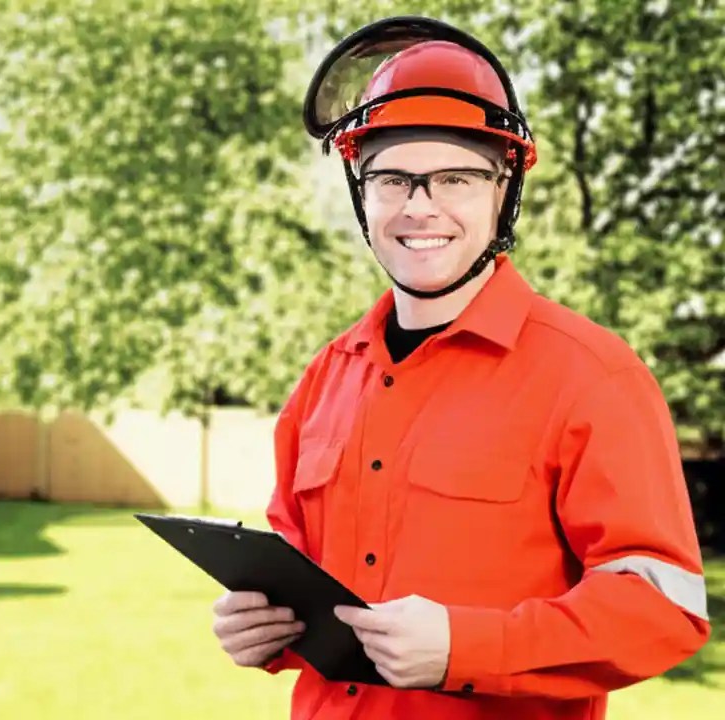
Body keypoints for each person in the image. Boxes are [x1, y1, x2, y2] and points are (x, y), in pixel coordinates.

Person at [210, 15, 711, 720]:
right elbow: (299, 564)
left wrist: (468, 646)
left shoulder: (592, 376)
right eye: (392, 178)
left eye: (456, 177)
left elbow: (663, 608)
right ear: (362, 193)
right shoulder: (327, 377)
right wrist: (261, 625)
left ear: (504, 189)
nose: (421, 207)